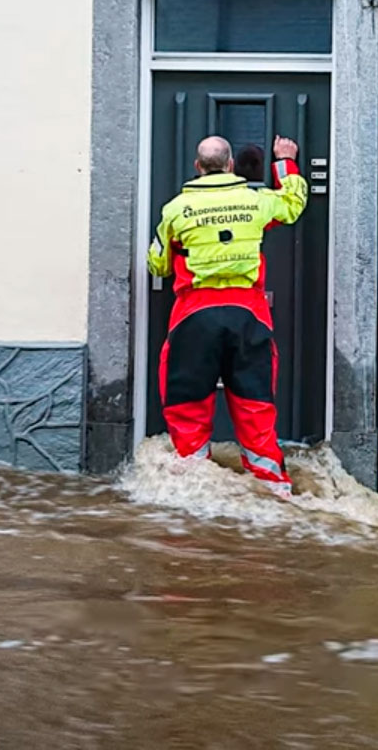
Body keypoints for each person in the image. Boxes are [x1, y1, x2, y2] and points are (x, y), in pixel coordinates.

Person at [147, 133, 307, 494]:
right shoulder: (255, 202)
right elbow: (293, 203)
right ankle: (274, 492)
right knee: (254, 406)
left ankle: (192, 493)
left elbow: (158, 265)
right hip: (248, 315)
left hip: (193, 316)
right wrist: (285, 160)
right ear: (231, 165)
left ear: (198, 166)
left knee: (188, 406)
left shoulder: (175, 210)